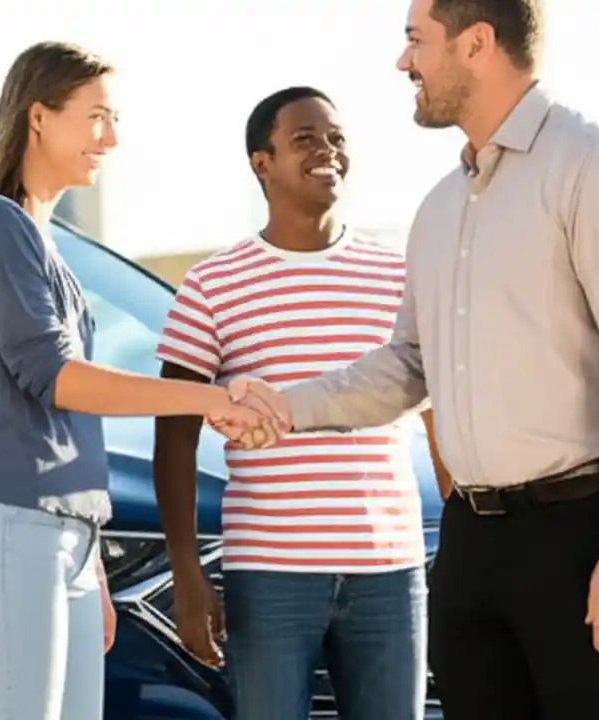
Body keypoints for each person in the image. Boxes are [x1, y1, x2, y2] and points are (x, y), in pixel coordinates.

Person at [221, 1, 599, 718]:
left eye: (417, 41)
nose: (403, 61)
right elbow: (409, 366)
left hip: (584, 535)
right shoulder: (440, 208)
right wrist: (286, 406)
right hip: (471, 546)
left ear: (476, 43)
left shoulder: (597, 164)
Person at [0, 41, 289, 720]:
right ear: (39, 117)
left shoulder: (44, 241)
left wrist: (88, 556)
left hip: (62, 539)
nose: (113, 137)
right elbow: (58, 381)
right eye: (98, 116)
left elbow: (63, 423)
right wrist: (212, 397)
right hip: (11, 530)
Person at [153, 86, 442, 720]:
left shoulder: (398, 274)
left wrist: (463, 551)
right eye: (306, 138)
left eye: (337, 137)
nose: (328, 150)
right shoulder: (214, 283)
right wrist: (188, 576)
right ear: (263, 162)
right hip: (271, 573)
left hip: (391, 571)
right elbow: (173, 434)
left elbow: (435, 412)